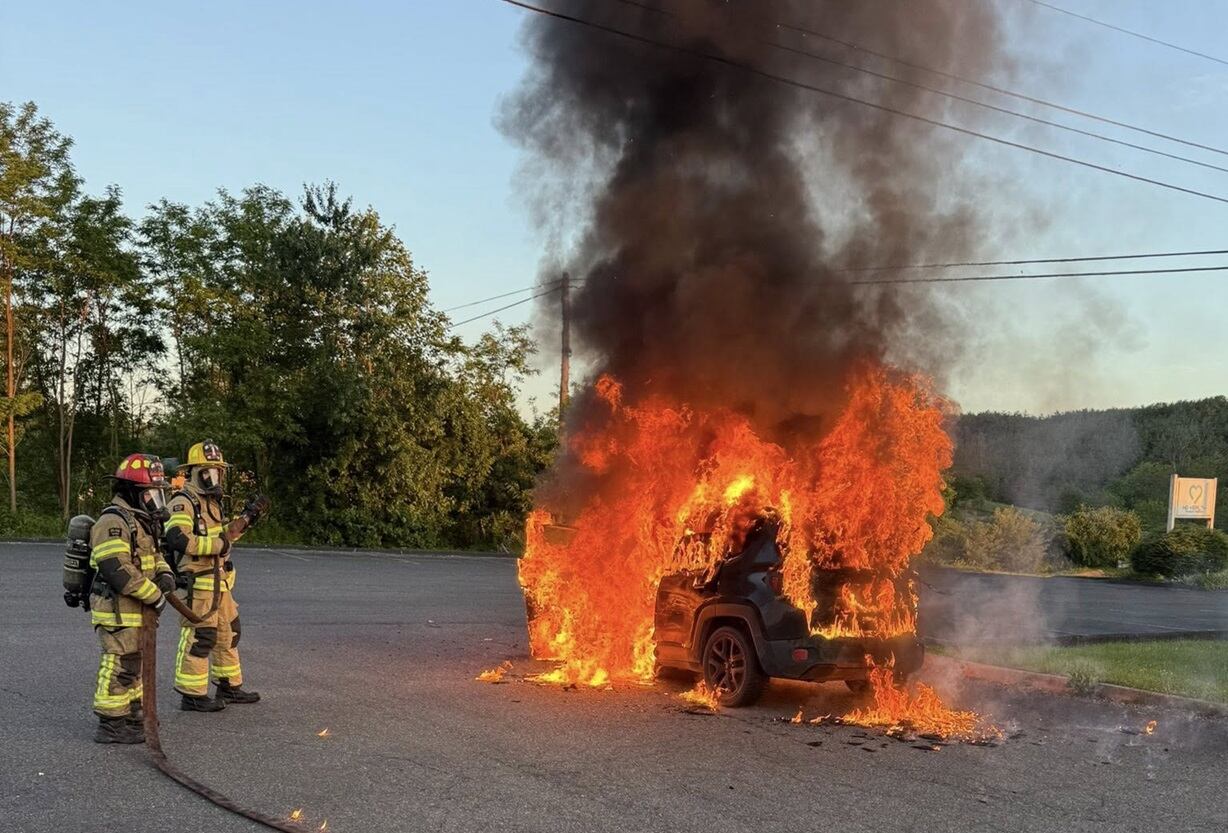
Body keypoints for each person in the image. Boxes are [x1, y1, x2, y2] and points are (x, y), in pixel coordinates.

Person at [164, 439, 266, 711]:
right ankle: (192, 694)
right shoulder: (183, 500)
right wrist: (217, 545)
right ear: (195, 471)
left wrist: (247, 519)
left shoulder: (213, 503)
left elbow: (225, 538)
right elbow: (177, 538)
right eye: (208, 471)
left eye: (218, 471)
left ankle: (229, 686)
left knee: (229, 633)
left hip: (219, 582)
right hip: (197, 583)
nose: (214, 476)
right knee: (201, 636)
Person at [89, 454, 176, 744]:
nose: (155, 500)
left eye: (158, 494)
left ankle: (131, 714)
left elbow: (154, 556)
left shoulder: (140, 520)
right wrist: (155, 596)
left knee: (134, 662)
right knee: (119, 662)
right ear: (131, 491)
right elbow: (117, 569)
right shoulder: (112, 520)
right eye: (150, 493)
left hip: (136, 608)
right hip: (117, 610)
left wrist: (164, 575)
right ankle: (111, 723)